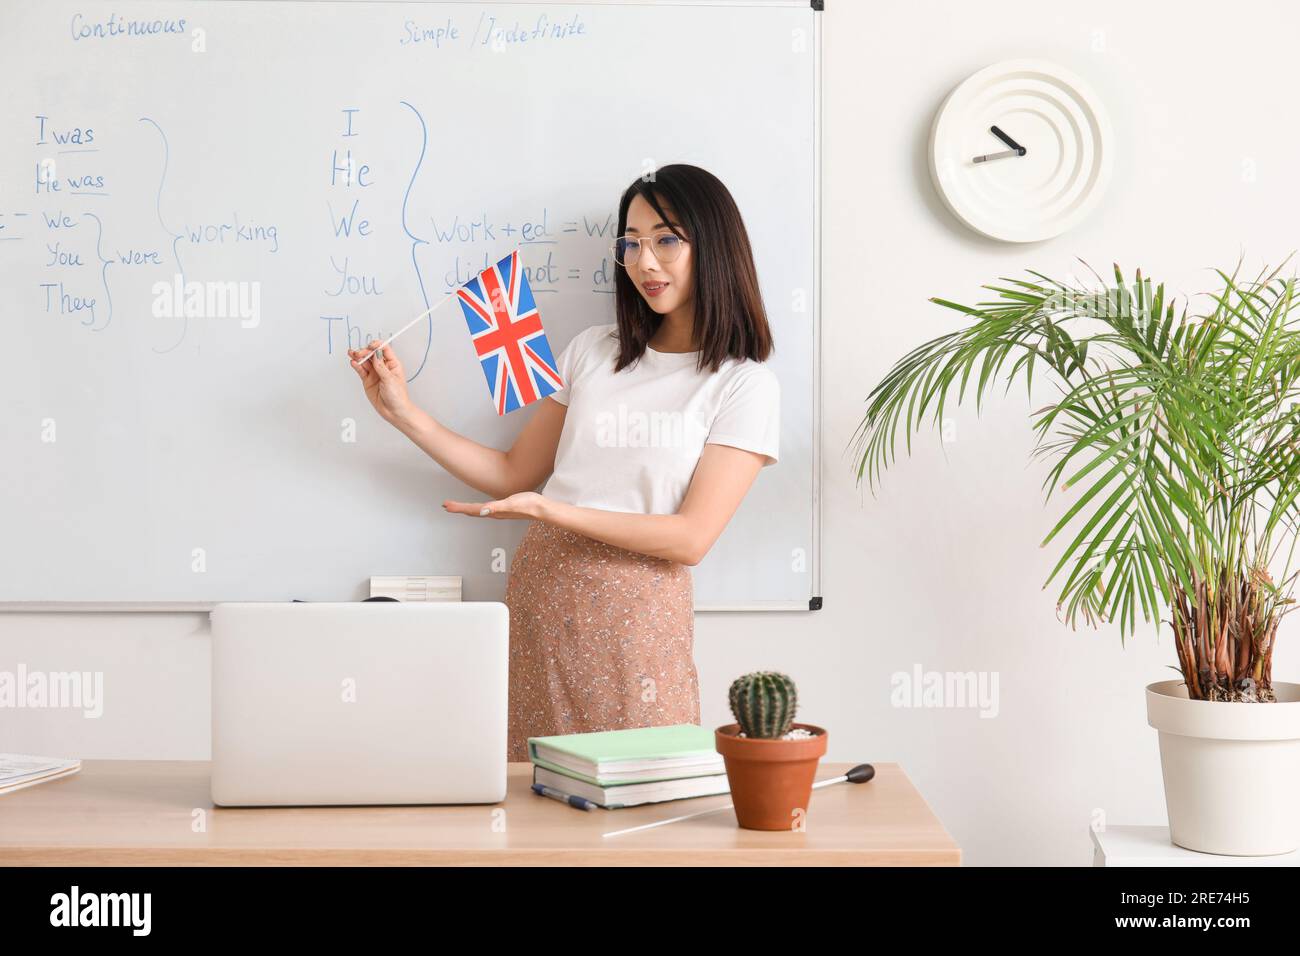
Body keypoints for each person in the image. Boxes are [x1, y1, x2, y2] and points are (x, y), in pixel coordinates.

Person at [348, 163, 780, 761]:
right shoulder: (593, 351)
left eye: (667, 239)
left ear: (715, 245)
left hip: (639, 618)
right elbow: (511, 473)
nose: (644, 262)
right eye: (631, 242)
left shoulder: (742, 384)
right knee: (535, 803)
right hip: (542, 601)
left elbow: (689, 538)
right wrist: (402, 412)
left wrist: (554, 511)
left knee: (639, 800)